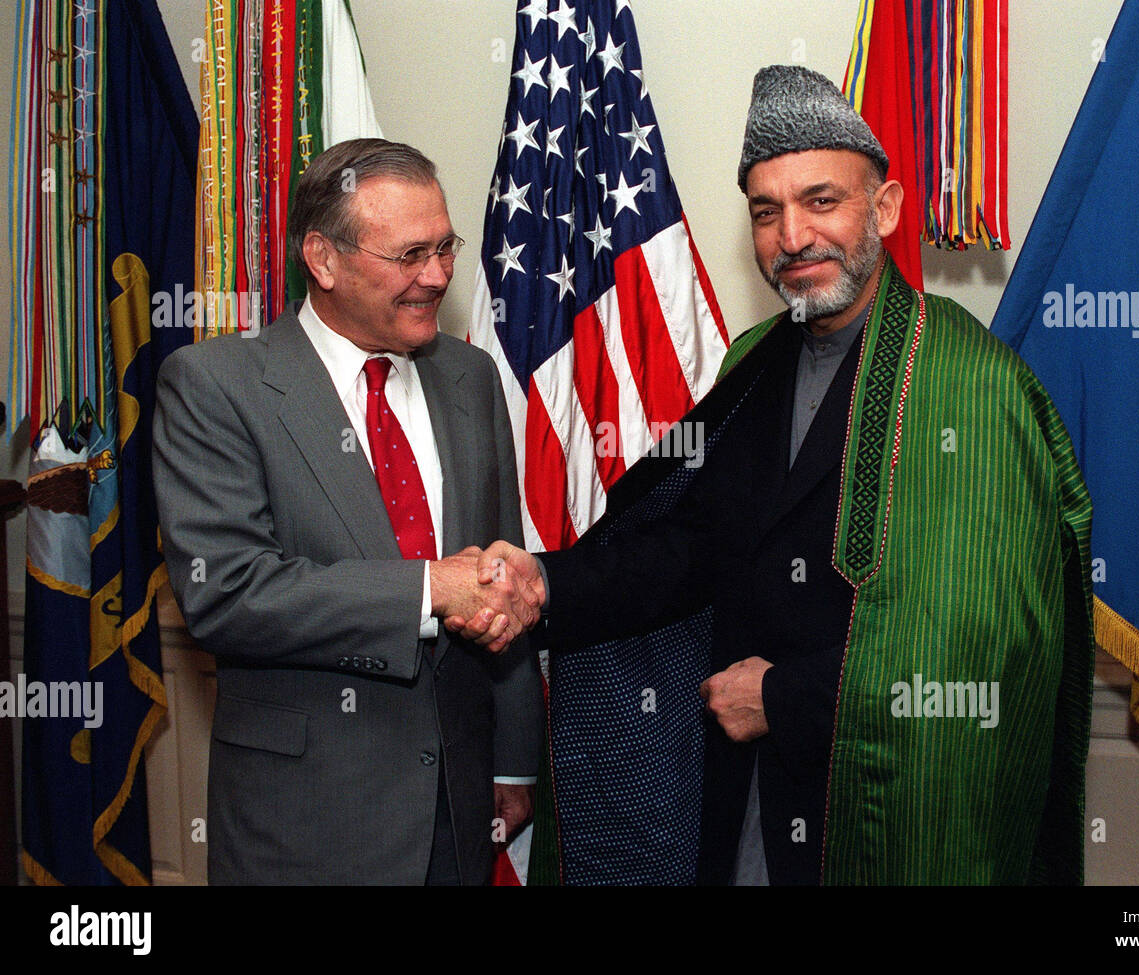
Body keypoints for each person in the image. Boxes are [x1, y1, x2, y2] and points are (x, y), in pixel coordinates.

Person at [455, 66, 1095, 885]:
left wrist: (786, 699)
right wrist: (545, 583)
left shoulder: (971, 385)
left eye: (821, 200)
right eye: (767, 211)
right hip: (743, 806)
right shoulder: (755, 359)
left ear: (887, 208)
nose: (792, 236)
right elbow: (687, 542)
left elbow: (985, 659)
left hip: (886, 816)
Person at [153, 138, 543, 884]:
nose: (436, 275)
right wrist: (430, 589)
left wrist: (516, 759)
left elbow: (502, 569)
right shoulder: (217, 387)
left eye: (444, 247)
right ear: (323, 259)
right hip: (305, 825)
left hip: (459, 814)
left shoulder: (470, 377)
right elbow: (227, 592)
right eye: (409, 255)